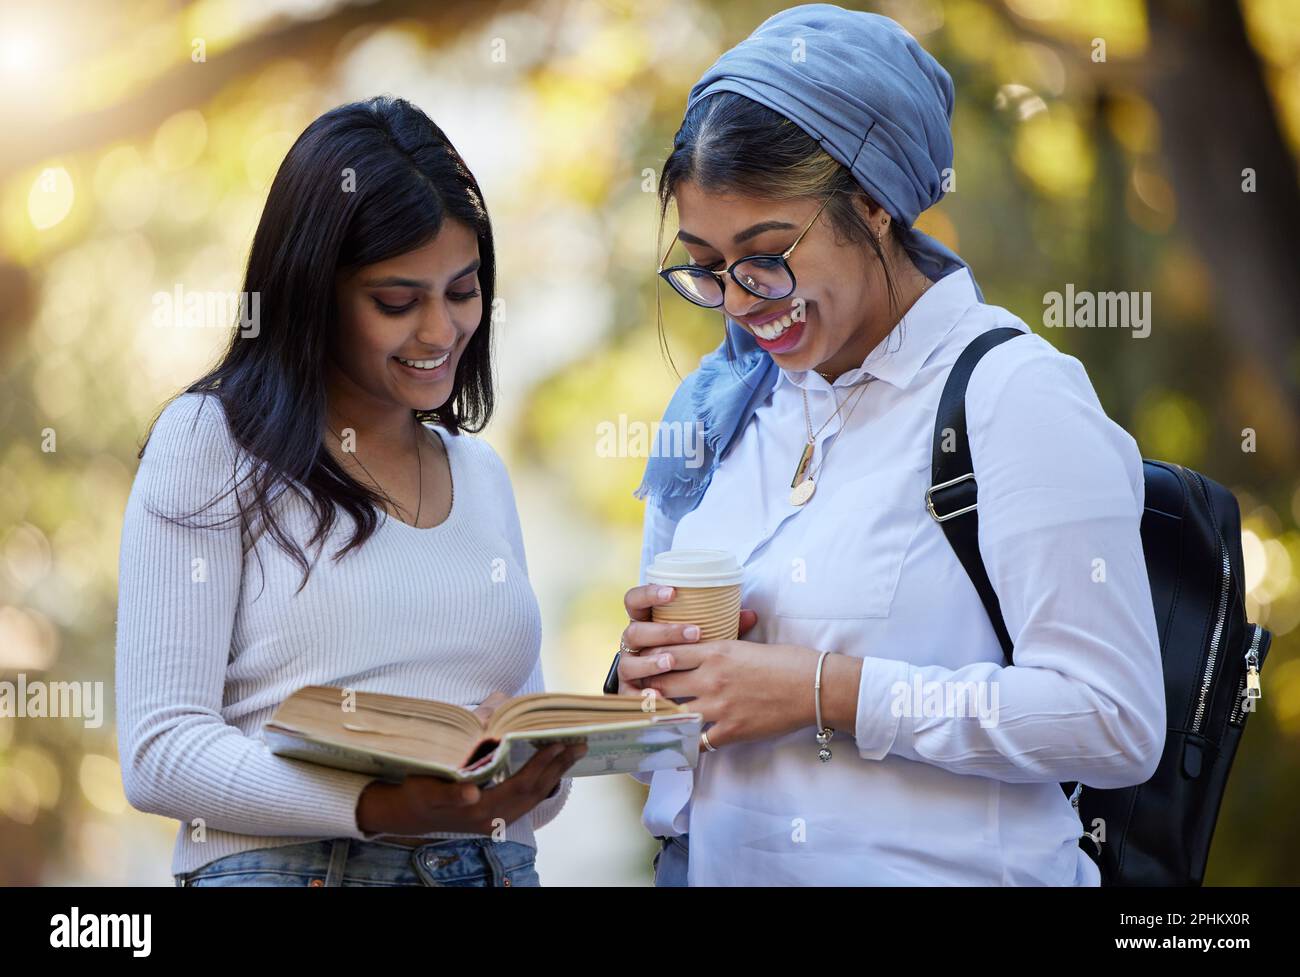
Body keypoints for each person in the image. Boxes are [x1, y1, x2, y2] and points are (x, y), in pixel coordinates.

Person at [614, 5, 1164, 886]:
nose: (740, 301)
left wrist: (824, 690)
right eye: (707, 265)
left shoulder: (1010, 393)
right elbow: (672, 742)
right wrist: (643, 682)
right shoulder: (722, 410)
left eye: (766, 253)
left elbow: (1112, 721)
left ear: (874, 204)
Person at [116, 96, 584, 888]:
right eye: (397, 302)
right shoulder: (211, 441)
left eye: (463, 290)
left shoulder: (483, 477)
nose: (440, 331)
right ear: (313, 294)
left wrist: (548, 753)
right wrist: (376, 804)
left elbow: (535, 803)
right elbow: (159, 751)